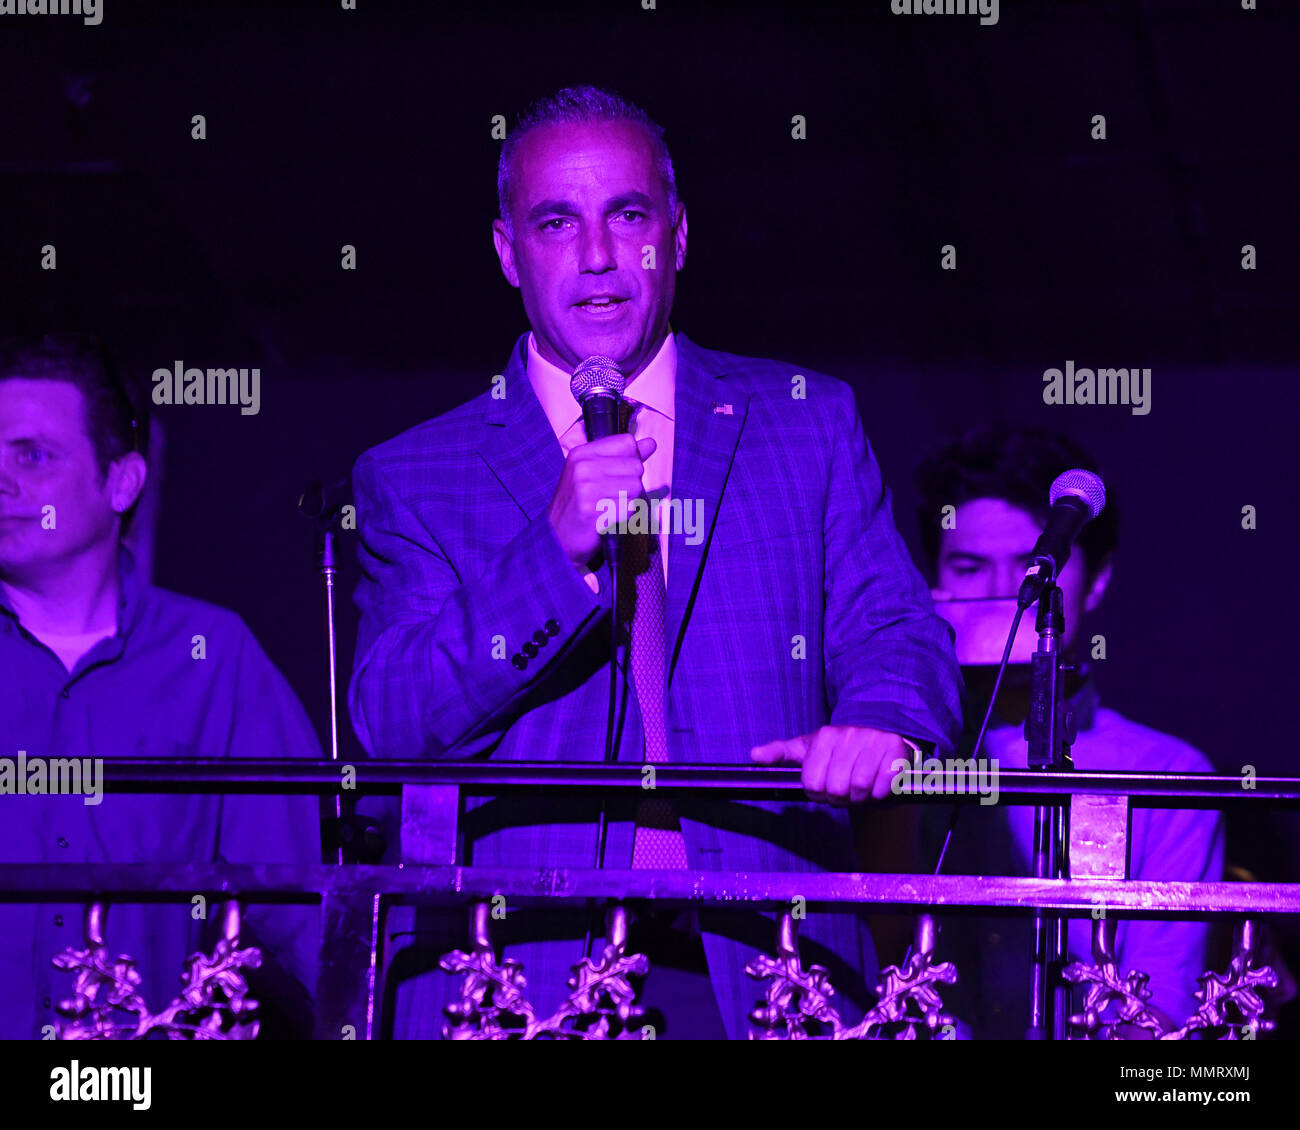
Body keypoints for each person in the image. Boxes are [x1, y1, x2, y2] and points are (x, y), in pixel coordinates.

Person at [348, 85, 963, 1039]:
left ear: (675, 235)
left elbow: (898, 628)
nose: (598, 256)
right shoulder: (412, 472)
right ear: (510, 253)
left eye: (627, 214)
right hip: (516, 973)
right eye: (556, 222)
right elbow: (392, 722)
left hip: (772, 963)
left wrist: (884, 724)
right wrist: (551, 555)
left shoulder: (806, 421)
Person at [0, 334, 322, 1039]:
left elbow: (298, 910)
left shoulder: (214, 658)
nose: (2, 479)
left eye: (33, 455)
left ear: (121, 482)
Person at [913, 425, 1225, 1037]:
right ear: (933, 584)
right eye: (970, 566)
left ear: (1099, 579)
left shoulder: (1171, 775)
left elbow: (1158, 1014)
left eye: (1034, 569)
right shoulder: (896, 753)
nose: (1007, 593)